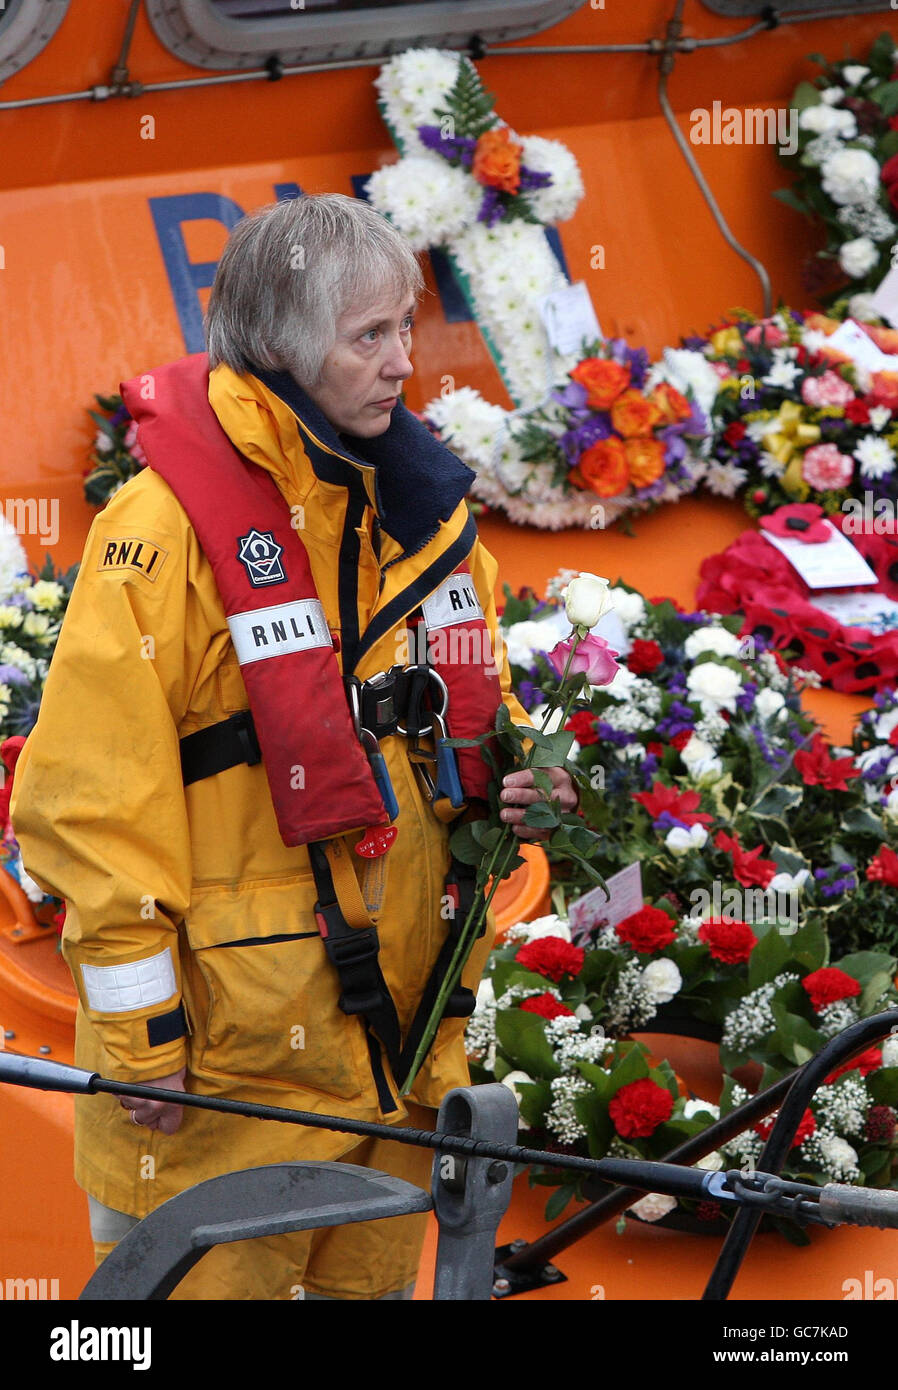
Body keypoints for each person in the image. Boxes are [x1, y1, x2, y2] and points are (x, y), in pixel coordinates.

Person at [10, 192, 577, 1300]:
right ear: (280, 345)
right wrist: (141, 1045)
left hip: (394, 1065)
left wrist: (517, 784)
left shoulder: (423, 522)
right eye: (369, 336)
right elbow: (85, 802)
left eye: (406, 328)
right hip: (224, 1085)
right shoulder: (160, 531)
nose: (402, 361)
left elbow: (473, 723)